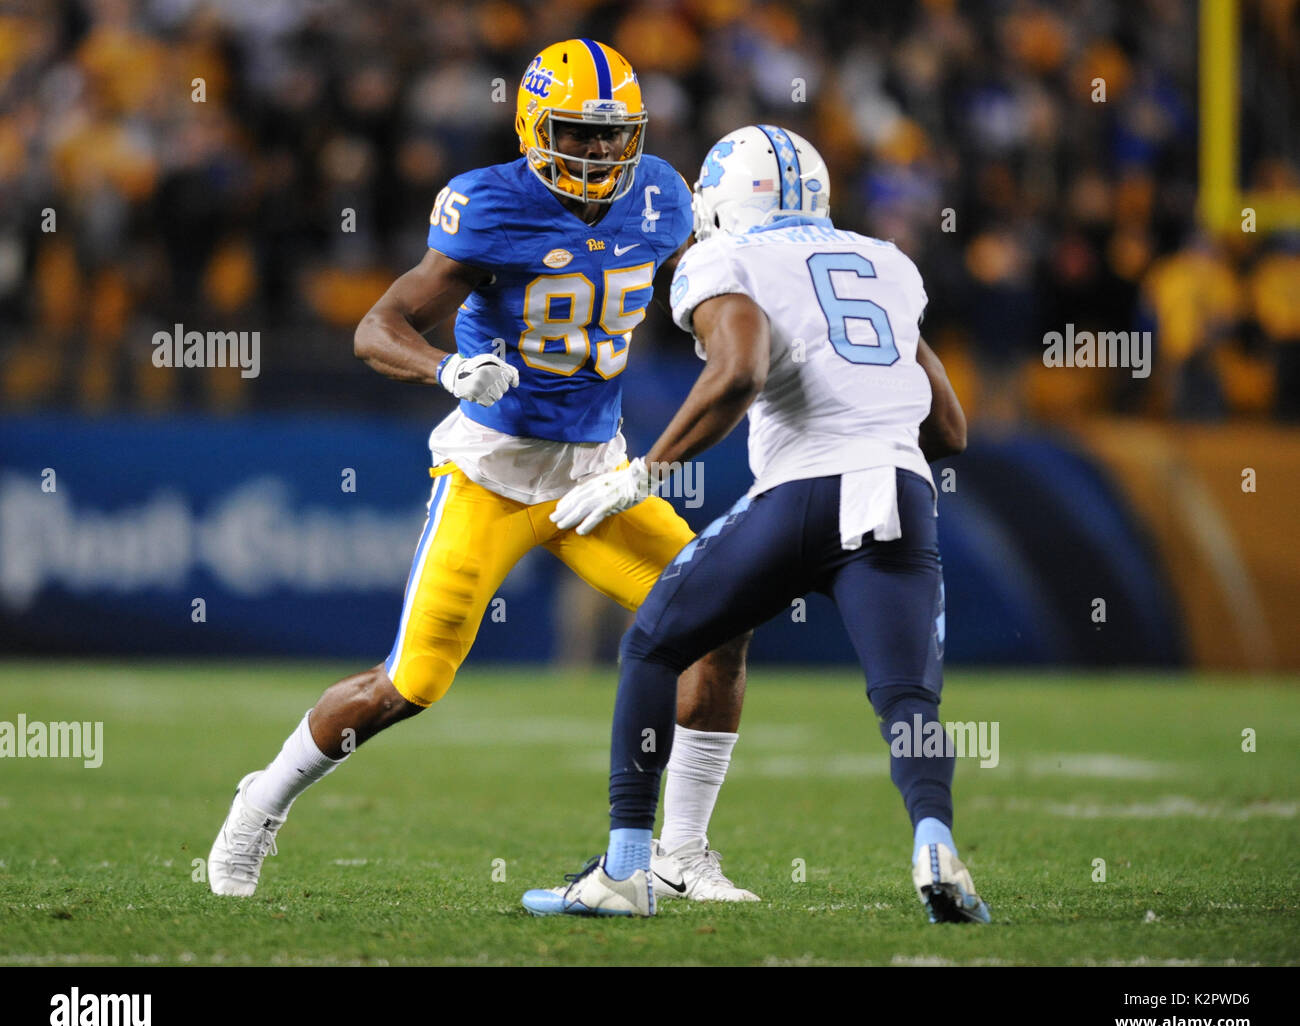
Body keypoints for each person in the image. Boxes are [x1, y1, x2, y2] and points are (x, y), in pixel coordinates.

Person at [207, 40, 756, 903]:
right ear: (537, 126)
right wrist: (444, 370)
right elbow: (377, 324)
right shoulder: (487, 203)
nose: (601, 155)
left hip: (596, 477)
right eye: (578, 135)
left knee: (721, 622)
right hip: (492, 474)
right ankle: (261, 801)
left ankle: (683, 853)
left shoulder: (662, 195)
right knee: (410, 683)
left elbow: (712, 287)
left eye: (617, 138)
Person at [522, 125, 989, 924]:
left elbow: (736, 368)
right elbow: (948, 428)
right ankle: (936, 841)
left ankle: (628, 868)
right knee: (909, 698)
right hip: (901, 496)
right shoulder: (885, 261)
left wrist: (647, 471)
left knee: (654, 642)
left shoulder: (721, 259)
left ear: (722, 201)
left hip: (804, 491)